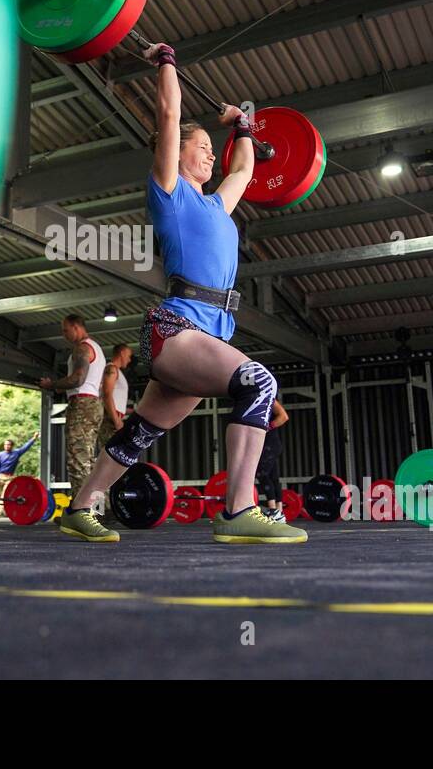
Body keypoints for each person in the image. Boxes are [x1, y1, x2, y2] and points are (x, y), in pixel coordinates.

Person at [57, 38, 305, 544]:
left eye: (212, 149)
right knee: (258, 384)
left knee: (141, 431)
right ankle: (240, 510)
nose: (211, 155)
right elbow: (169, 115)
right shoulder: (169, 193)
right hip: (175, 329)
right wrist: (167, 62)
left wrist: (242, 128)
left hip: (206, 332)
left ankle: (80, 509)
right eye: (202, 147)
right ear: (177, 153)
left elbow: (245, 169)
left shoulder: (218, 206)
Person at [39, 316, 106, 501]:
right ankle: (100, 508)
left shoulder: (82, 348)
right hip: (94, 404)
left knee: (78, 460)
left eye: (65, 330)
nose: (64, 334)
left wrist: (51, 384)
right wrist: (61, 386)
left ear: (76, 327)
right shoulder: (97, 348)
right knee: (89, 459)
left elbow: (78, 379)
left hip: (82, 406)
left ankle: (81, 511)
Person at [96, 344, 134, 457]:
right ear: (122, 353)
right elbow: (107, 395)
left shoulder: (117, 371)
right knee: (111, 456)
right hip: (110, 420)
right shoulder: (111, 369)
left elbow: (116, 401)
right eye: (128, 356)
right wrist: (116, 420)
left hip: (114, 417)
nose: (129, 359)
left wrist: (130, 411)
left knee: (117, 456)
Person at [257, 399, 289, 521]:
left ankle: (273, 511)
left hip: (270, 445)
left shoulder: (268, 399)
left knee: (262, 475)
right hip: (268, 445)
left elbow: (284, 417)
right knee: (273, 477)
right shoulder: (255, 402)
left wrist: (267, 427)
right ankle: (279, 512)